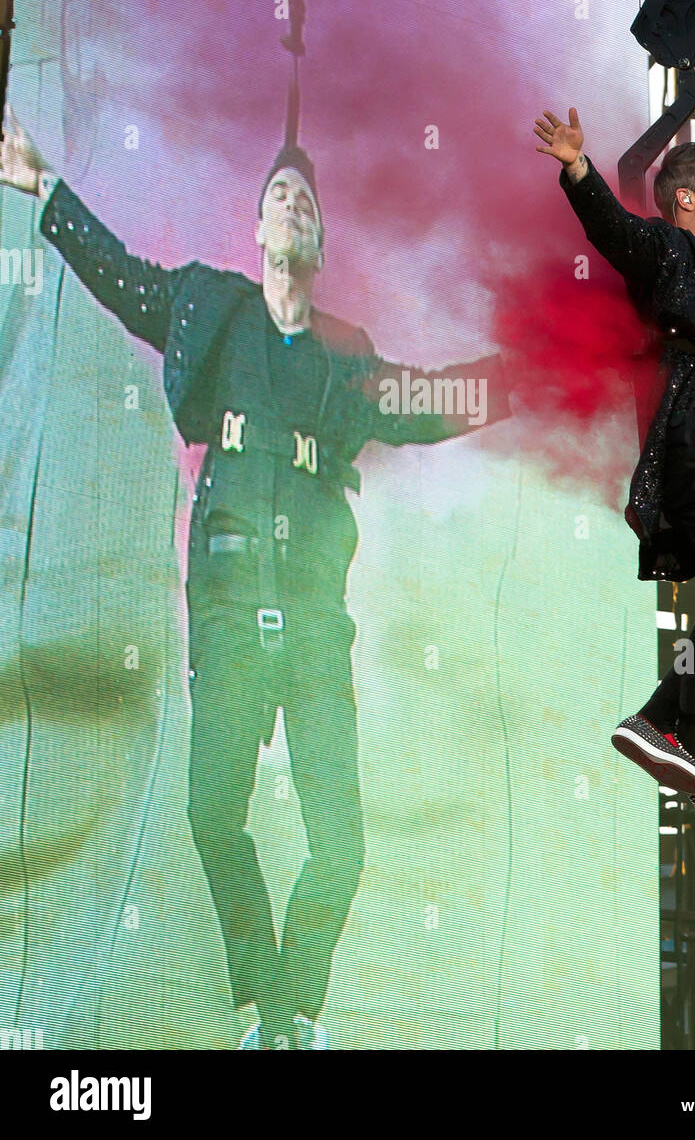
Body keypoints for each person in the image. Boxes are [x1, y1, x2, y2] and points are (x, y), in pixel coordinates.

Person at [1, 107, 510, 1049]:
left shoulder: (346, 362)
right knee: (211, 813)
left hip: (315, 623)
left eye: (306, 201)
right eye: (278, 195)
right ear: (258, 228)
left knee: (343, 847)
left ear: (318, 238)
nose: (292, 207)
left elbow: (436, 401)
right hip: (233, 612)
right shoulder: (209, 309)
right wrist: (45, 187)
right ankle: (277, 1019)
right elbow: (121, 279)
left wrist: (533, 371)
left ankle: (292, 1014)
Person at [534, 106, 695, 823]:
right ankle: (656, 720)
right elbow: (614, 229)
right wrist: (578, 168)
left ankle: (689, 733)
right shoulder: (668, 253)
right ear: (685, 198)